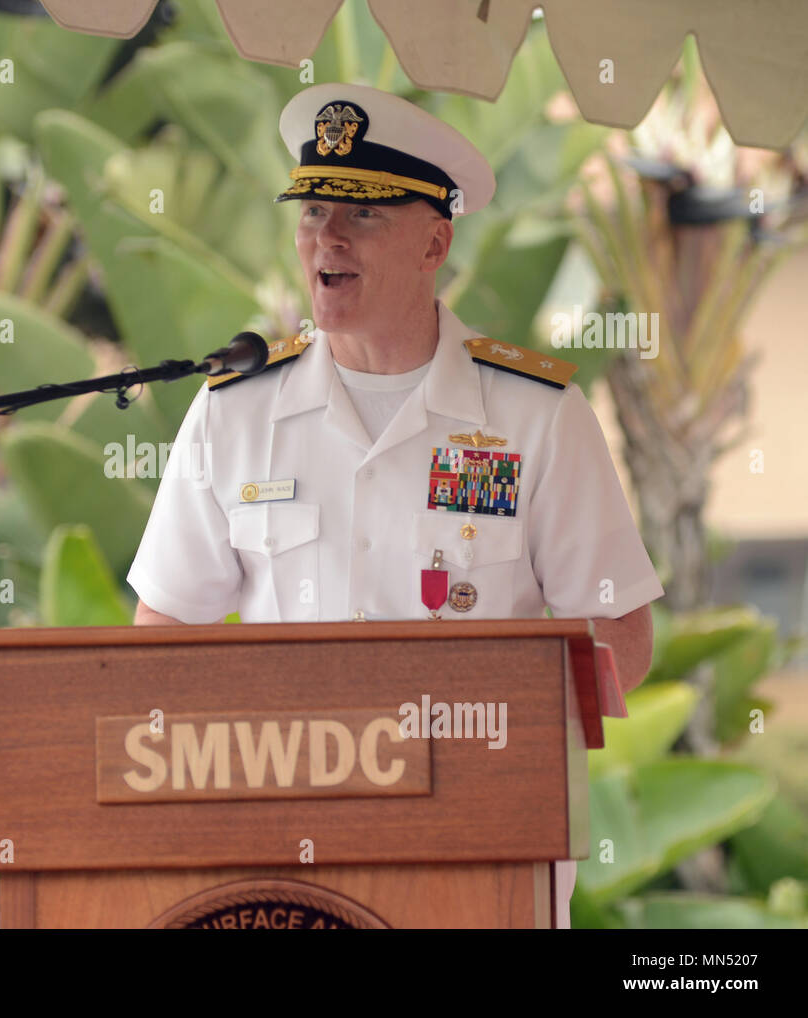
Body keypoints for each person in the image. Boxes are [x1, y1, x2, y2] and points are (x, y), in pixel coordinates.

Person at [125, 83, 664, 929]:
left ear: (435, 242)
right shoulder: (235, 410)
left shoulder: (534, 416)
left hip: (478, 852)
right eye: (311, 215)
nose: (326, 238)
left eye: (362, 216)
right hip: (283, 862)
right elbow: (162, 637)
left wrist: (495, 736)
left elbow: (620, 637)